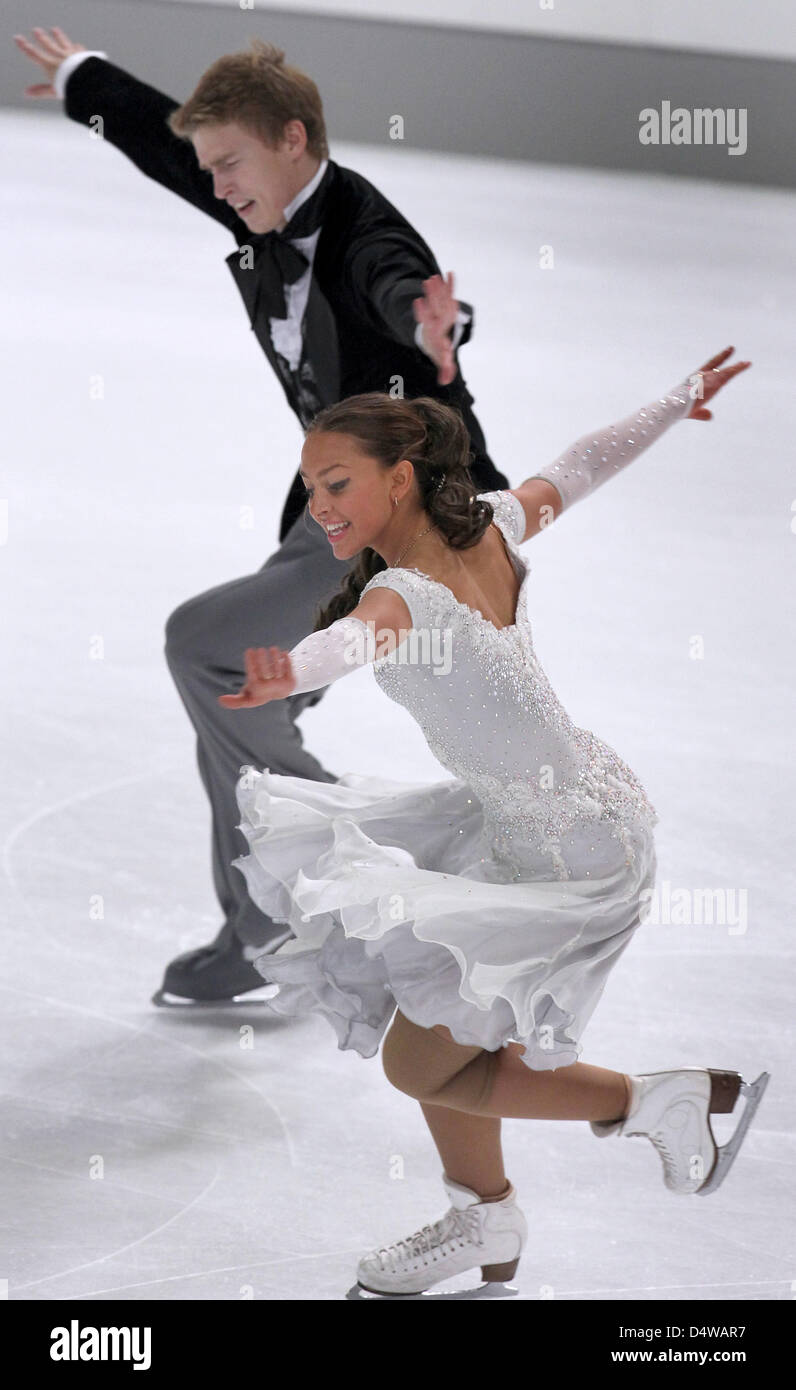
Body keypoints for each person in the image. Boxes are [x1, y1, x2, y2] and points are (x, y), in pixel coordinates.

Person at [217, 350, 769, 1296]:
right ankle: (484, 1218)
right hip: (569, 812)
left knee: (419, 1057)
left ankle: (656, 1100)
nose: (320, 506)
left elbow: (349, 642)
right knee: (434, 991)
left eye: (338, 484)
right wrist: (673, 401)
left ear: (400, 478)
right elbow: (581, 466)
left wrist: (289, 673)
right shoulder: (495, 529)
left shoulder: (404, 599)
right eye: (310, 487)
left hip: (566, 856)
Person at [14, 26, 509, 1003]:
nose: (220, 187)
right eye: (215, 171)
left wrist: (431, 323)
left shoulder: (362, 227)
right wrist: (85, 79)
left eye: (232, 164)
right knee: (242, 704)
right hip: (336, 506)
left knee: (207, 651)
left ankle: (338, 846)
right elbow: (170, 145)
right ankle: (267, 932)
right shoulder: (263, 201)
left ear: (292, 139)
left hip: (412, 515)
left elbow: (399, 281)